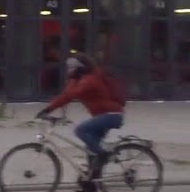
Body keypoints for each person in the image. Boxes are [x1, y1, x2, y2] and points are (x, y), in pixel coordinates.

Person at [36, 54, 125, 183]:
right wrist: (47, 110)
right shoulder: (80, 80)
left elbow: (72, 94)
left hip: (111, 115)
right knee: (90, 148)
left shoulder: (90, 79)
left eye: (72, 68)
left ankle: (104, 155)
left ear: (80, 68)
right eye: (68, 68)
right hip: (103, 116)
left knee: (80, 130)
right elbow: (65, 97)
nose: (68, 70)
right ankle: (91, 181)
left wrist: (71, 82)